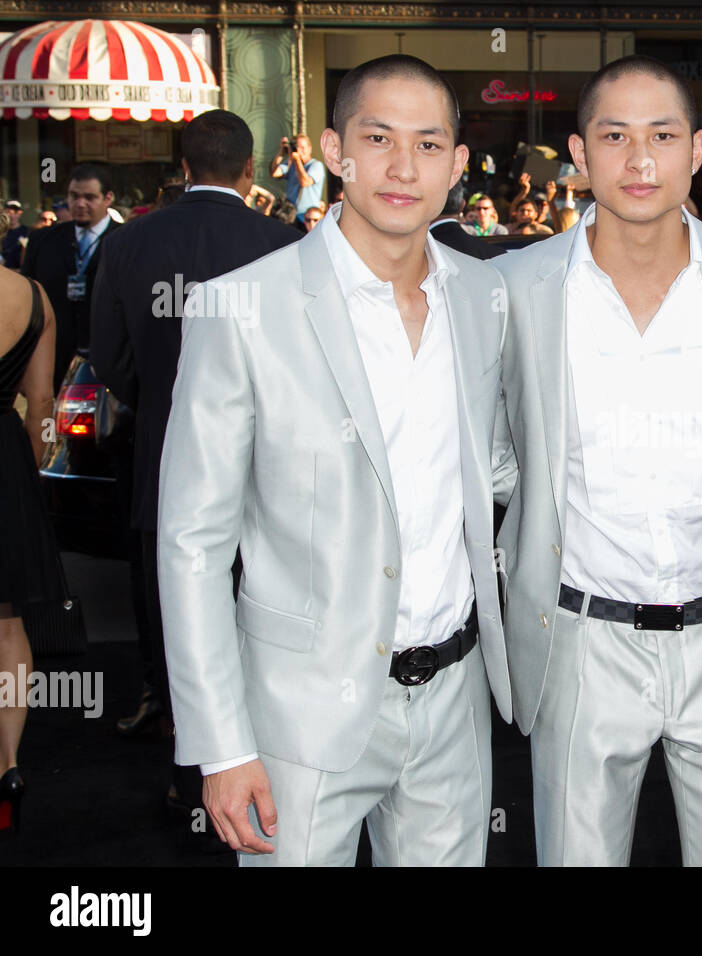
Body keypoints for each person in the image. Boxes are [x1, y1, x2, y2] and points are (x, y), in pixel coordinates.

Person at [156, 54, 512, 865]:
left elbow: (500, 468)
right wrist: (221, 746)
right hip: (296, 718)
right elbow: (192, 544)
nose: (401, 166)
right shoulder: (240, 308)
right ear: (333, 150)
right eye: (378, 137)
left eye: (427, 145)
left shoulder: (488, 299)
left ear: (457, 165)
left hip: (454, 702)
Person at [492, 54, 702, 866]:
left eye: (662, 135)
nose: (639, 159)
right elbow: (490, 451)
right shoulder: (516, 287)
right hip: (582, 644)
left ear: (696, 151)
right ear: (579, 155)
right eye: (614, 135)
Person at [89, 109, 304, 825]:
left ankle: (193, 776)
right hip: (278, 461)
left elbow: (111, 361)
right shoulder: (287, 242)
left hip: (163, 452)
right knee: (272, 610)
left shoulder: (130, 244)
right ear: (250, 171)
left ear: (184, 168)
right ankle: (281, 769)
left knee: (177, 604)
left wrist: (159, 405)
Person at [0, 241, 59, 836]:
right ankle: (9, 764)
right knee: (8, 623)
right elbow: (42, 403)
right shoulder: (33, 296)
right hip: (8, 461)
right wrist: (30, 468)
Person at [21, 164, 120, 393]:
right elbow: (27, 300)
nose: (80, 204)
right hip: (50, 360)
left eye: (89, 197)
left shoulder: (126, 240)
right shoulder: (42, 241)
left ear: (108, 198)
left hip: (106, 364)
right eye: (73, 196)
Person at [430, 183, 504, 260]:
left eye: (485, 208)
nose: (482, 212)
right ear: (462, 205)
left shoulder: (422, 249)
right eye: (478, 208)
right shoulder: (496, 255)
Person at [269, 133, 326, 225]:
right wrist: (281, 153)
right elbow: (274, 173)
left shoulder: (316, 165)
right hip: (290, 216)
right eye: (297, 147)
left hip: (308, 218)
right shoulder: (291, 163)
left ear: (310, 149)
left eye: (303, 148)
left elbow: (304, 182)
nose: (299, 151)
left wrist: (296, 160)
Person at [2, 201, 28, 270]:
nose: (12, 215)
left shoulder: (26, 231)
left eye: (16, 212)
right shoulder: (2, 232)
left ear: (20, 213)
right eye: (9, 212)